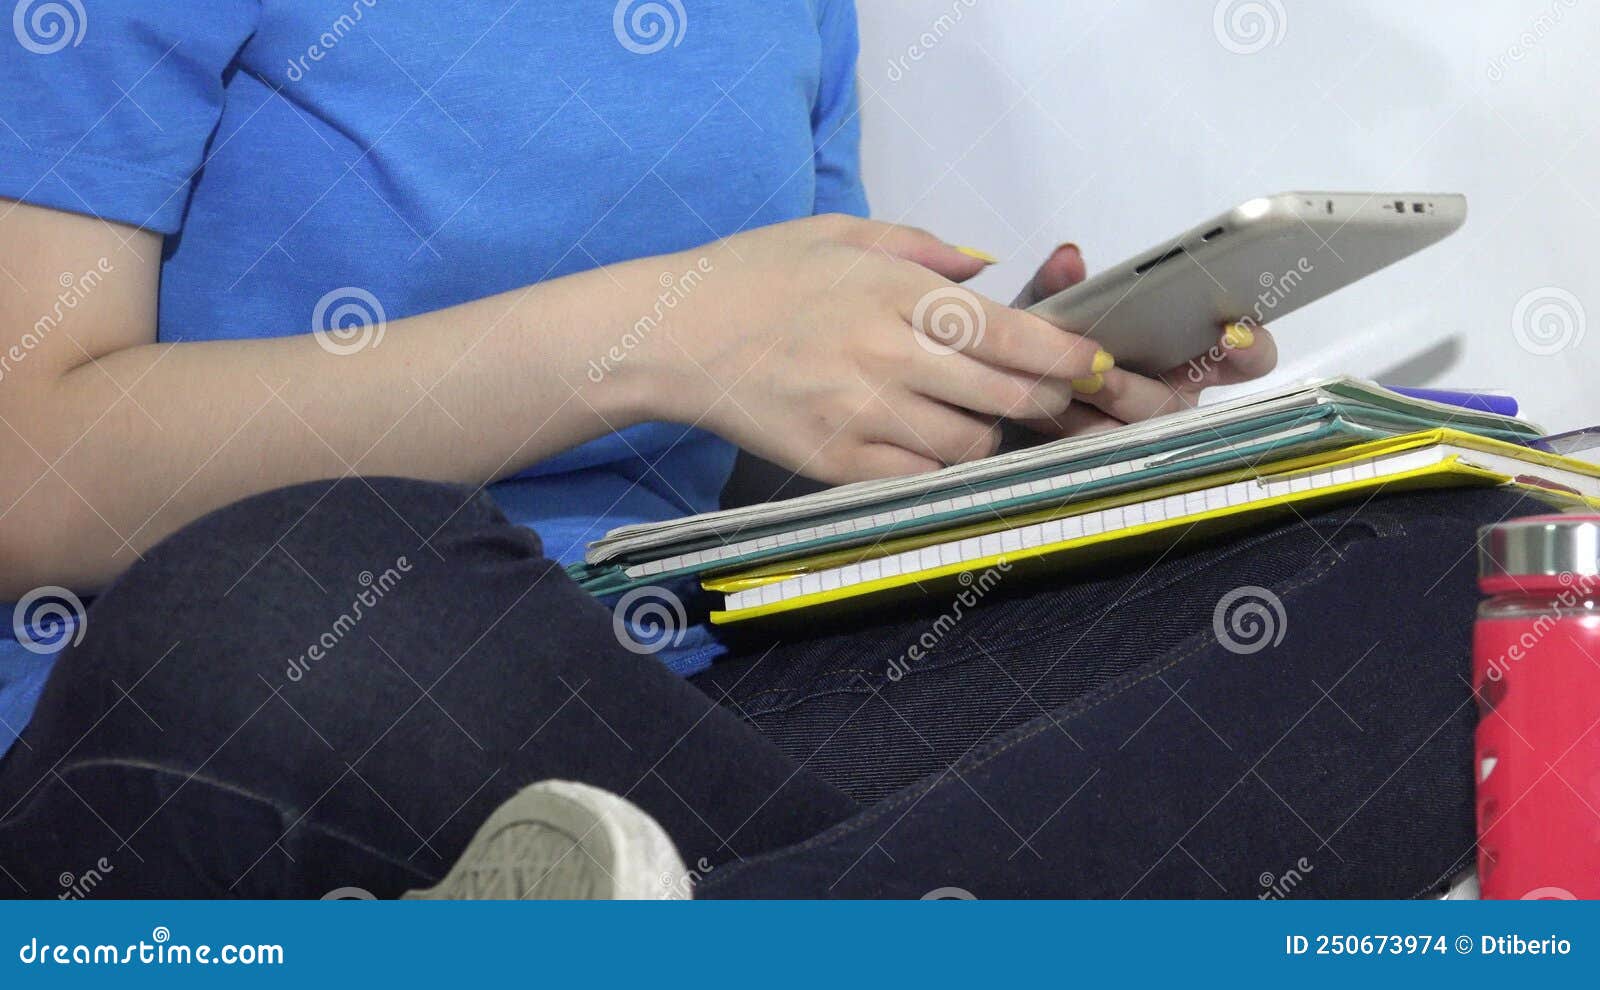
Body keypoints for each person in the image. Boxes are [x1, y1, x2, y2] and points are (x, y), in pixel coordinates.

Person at [0, 1, 1490, 898]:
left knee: (1461, 576)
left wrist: (996, 412)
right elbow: (26, 464)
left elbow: (764, 443)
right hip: (303, 681)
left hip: (689, 722)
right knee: (310, 586)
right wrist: (665, 334)